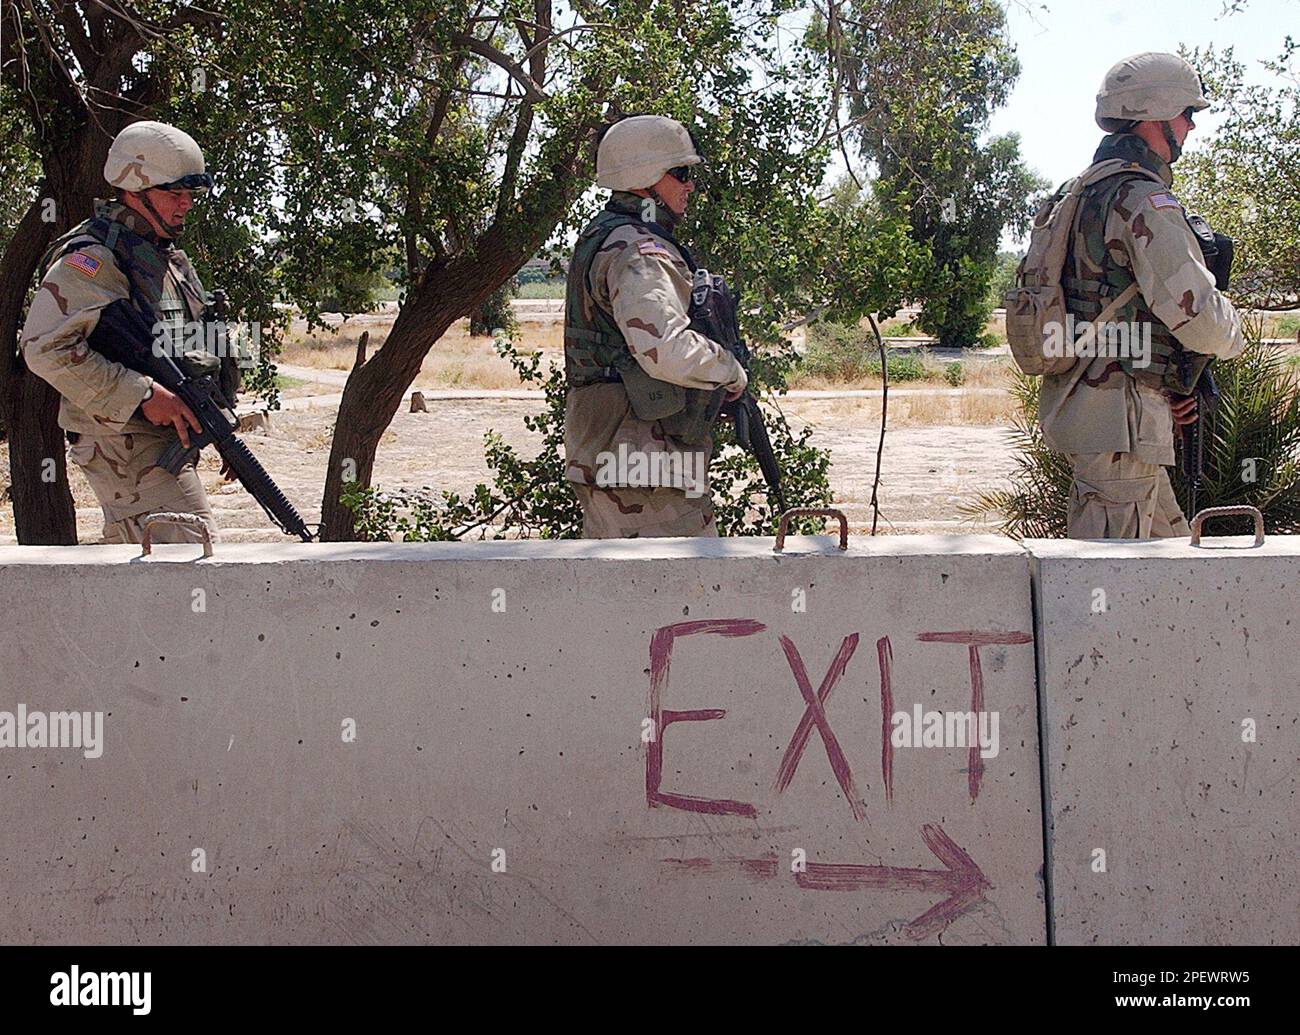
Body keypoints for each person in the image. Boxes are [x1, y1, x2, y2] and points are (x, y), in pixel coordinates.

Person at [1039, 52, 1244, 538]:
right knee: (1109, 589)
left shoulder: (1077, 193)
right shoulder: (1141, 200)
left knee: (1171, 569)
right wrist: (1234, 336)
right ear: (1158, 114)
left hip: (1097, 414)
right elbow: (1200, 316)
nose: (1192, 127)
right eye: (1187, 114)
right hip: (1120, 432)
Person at [21, 121, 233, 544]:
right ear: (135, 192)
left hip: (160, 437)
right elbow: (43, 348)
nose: (186, 204)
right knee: (188, 553)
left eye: (190, 194)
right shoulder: (93, 259)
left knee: (151, 562)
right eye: (174, 193)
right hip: (123, 442)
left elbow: (187, 341)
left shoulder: (163, 258)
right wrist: (144, 394)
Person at [563, 114, 748, 538]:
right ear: (644, 178)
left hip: (619, 457)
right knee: (683, 596)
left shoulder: (606, 236)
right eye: (680, 173)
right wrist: (729, 370)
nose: (690, 186)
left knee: (626, 596)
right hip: (645, 466)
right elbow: (664, 348)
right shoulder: (638, 249)